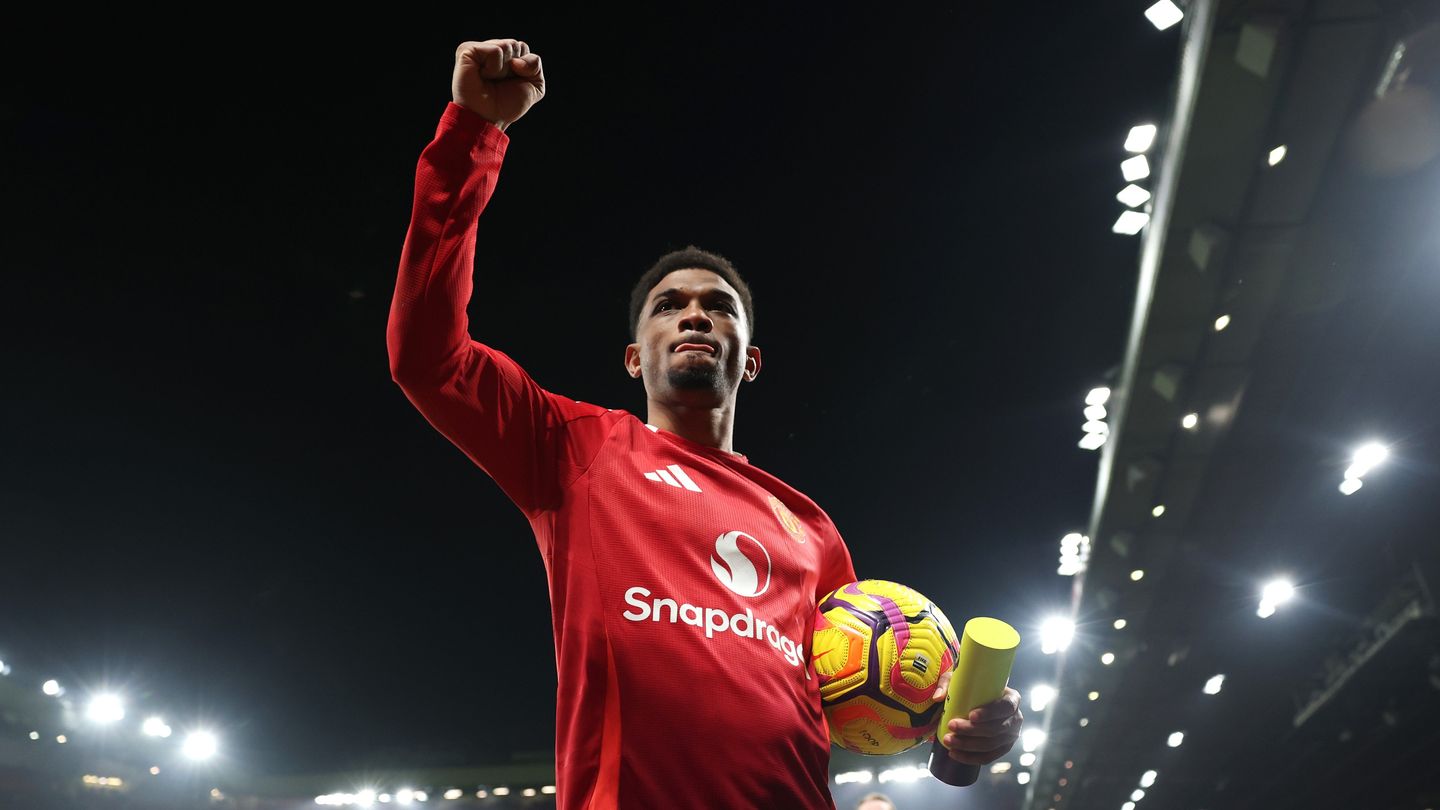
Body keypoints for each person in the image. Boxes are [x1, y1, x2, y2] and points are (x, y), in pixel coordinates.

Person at [387, 38, 1024, 809]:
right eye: (670, 306)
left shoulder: (811, 529)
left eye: (719, 307)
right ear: (634, 358)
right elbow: (427, 357)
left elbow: (858, 707)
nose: (695, 314)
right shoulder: (575, 449)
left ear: (749, 360)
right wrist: (472, 136)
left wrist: (959, 730)